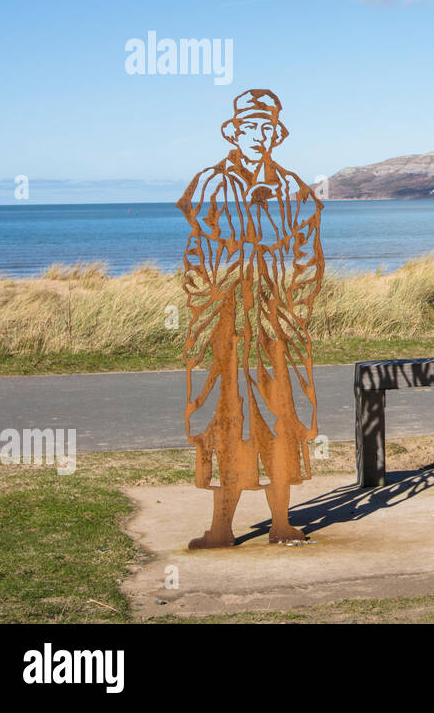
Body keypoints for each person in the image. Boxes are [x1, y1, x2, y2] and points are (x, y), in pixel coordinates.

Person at [179, 89, 324, 548]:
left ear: (276, 135)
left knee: (279, 415)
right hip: (227, 323)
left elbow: (306, 254)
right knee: (228, 418)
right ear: (234, 131)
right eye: (249, 127)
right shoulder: (211, 183)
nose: (258, 136)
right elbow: (198, 253)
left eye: (267, 128)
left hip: (274, 326)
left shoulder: (291, 187)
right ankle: (222, 526)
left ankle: (281, 523)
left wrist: (292, 304)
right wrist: (212, 296)